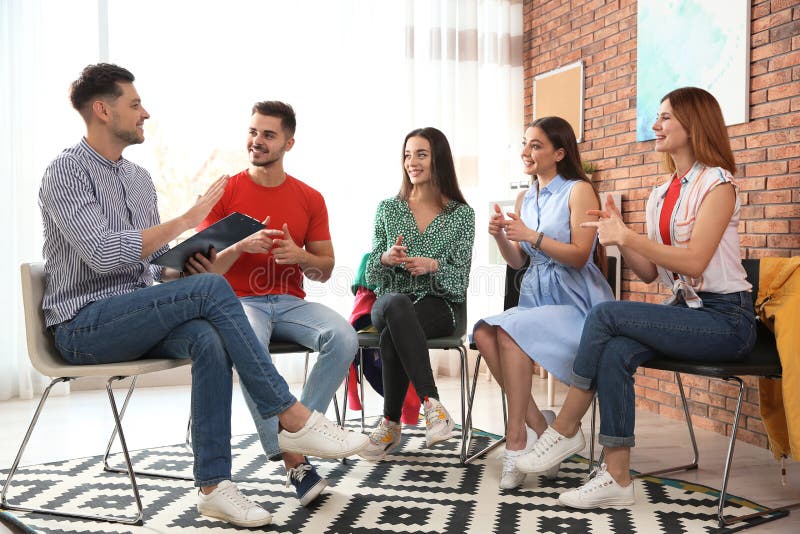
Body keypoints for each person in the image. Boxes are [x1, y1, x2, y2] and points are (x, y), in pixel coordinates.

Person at [39, 64, 367, 528]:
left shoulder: (136, 179)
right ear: (101, 109)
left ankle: (213, 486)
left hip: (133, 314)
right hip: (83, 327)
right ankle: (292, 418)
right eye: (134, 104)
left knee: (209, 337)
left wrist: (181, 269)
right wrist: (186, 220)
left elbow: (150, 270)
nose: (145, 112)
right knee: (214, 289)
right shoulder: (65, 173)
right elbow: (102, 255)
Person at [515, 87, 757, 509]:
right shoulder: (661, 194)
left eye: (665, 118)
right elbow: (647, 274)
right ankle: (617, 475)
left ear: (693, 124)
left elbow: (697, 262)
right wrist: (619, 236)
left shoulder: (719, 184)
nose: (655, 125)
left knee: (606, 314)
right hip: (686, 313)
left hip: (727, 321)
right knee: (617, 350)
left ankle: (567, 428)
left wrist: (627, 236)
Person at [187, 100, 358, 507]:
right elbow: (203, 270)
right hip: (238, 301)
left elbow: (325, 268)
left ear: (289, 143)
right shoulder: (224, 190)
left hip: (290, 301)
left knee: (344, 337)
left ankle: (296, 430)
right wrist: (241, 244)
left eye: (268, 134)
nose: (256, 141)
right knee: (248, 345)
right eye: (252, 132)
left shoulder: (309, 197)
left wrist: (300, 257)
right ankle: (295, 460)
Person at [472, 116, 613, 490]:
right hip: (537, 297)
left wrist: (531, 236)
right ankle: (543, 430)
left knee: (510, 332)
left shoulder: (579, 190)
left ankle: (516, 441)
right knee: (485, 332)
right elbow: (519, 261)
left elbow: (581, 255)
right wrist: (503, 237)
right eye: (525, 143)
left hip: (577, 303)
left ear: (559, 153)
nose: (526, 152)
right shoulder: (525, 196)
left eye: (535, 145)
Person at [359, 127, 475, 461]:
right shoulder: (387, 209)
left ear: (438, 159)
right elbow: (373, 277)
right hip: (390, 300)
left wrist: (433, 265)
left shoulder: (462, 216)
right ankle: (432, 404)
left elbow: (459, 281)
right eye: (408, 155)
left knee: (395, 333)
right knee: (396, 306)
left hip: (438, 306)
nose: (412, 162)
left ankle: (391, 424)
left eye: (421, 154)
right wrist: (384, 258)